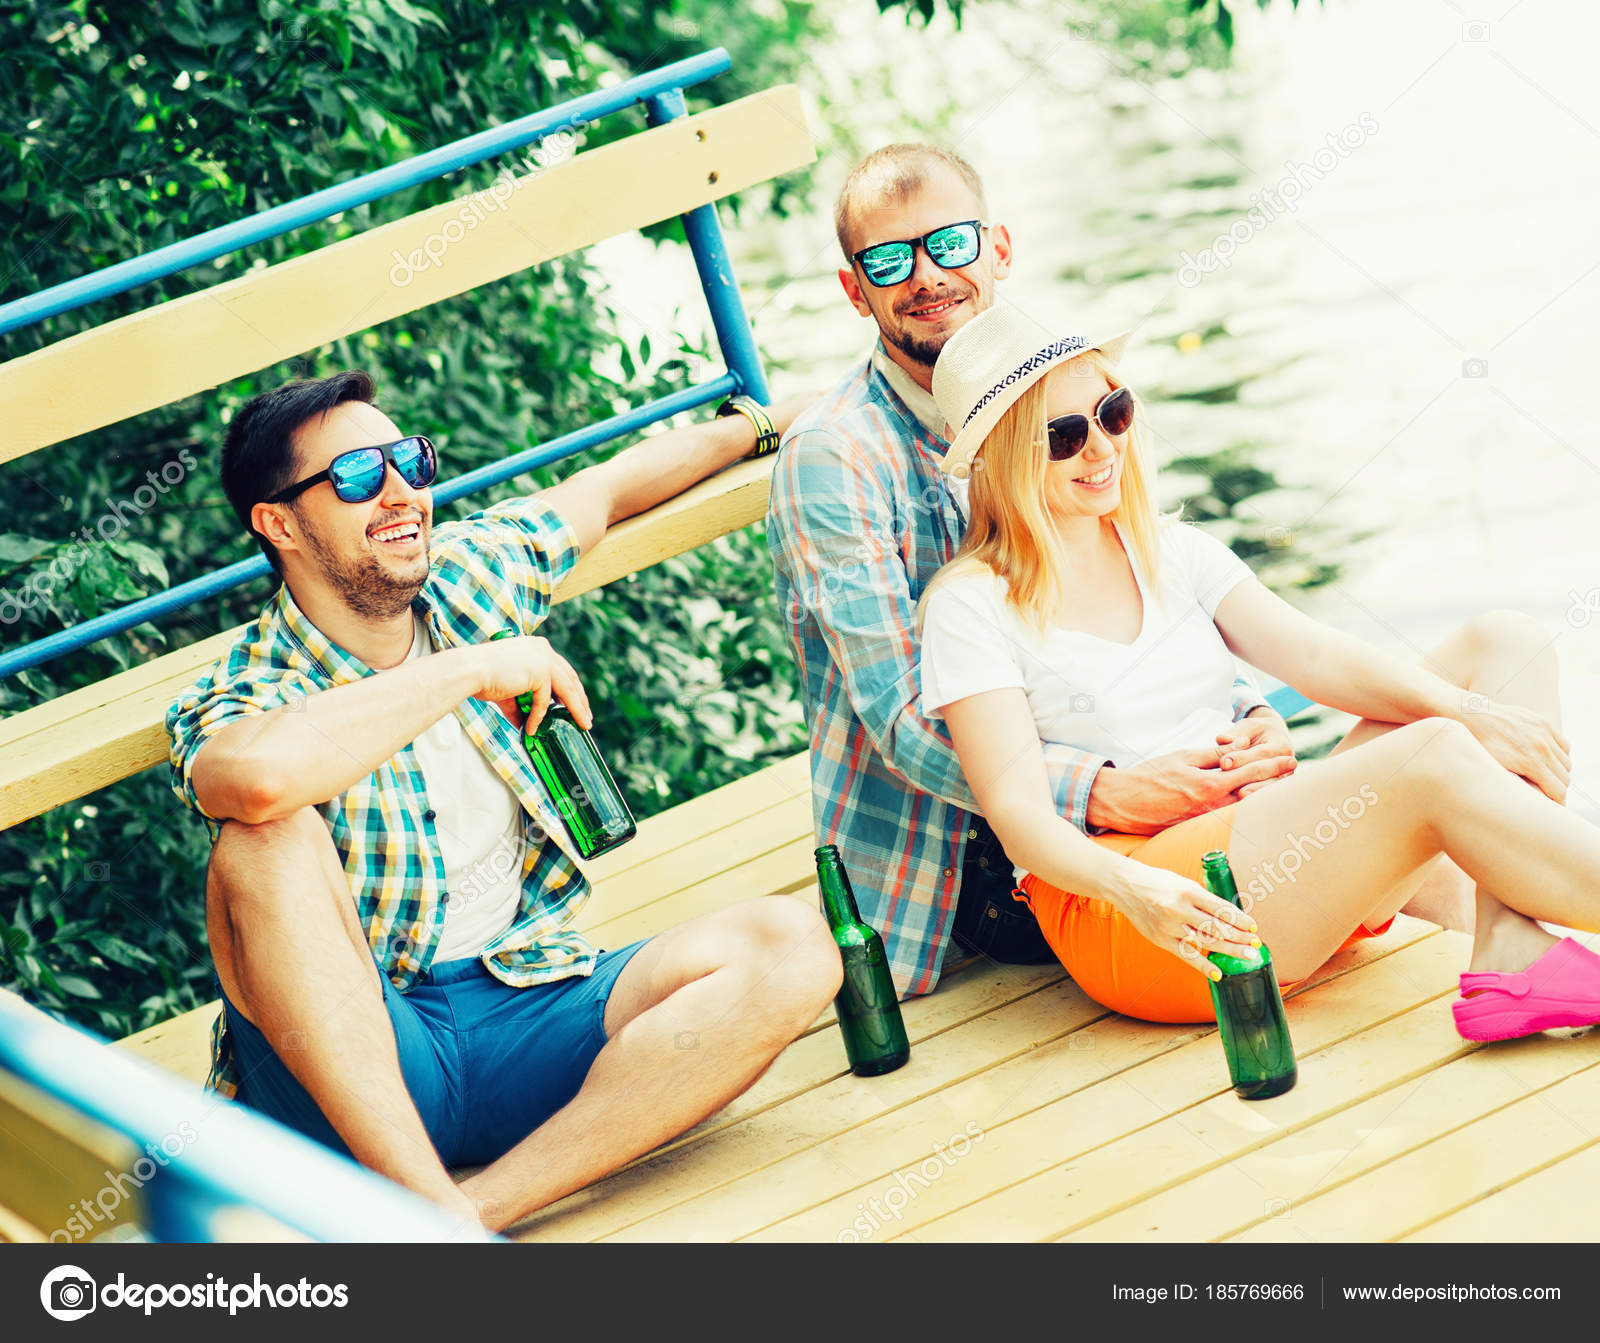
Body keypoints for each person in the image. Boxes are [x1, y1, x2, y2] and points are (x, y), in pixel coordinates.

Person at [166, 371, 840, 1235]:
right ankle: (419, 1192)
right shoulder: (247, 687)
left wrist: (765, 418)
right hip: (358, 1052)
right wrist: (472, 669)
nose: (403, 491)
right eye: (360, 477)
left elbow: (603, 490)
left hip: (522, 1006)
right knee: (262, 843)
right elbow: (252, 780)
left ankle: (462, 1217)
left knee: (793, 947)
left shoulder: (471, 580)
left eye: (409, 460)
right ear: (280, 522)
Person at [918, 301, 1599, 1038]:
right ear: (1003, 459)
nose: (1102, 449)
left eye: (1111, 412)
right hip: (1145, 909)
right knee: (1434, 751)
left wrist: (1472, 710)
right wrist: (1137, 888)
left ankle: (1507, 939)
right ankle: (1514, 946)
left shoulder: (1170, 550)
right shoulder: (970, 605)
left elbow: (1312, 654)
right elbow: (1017, 814)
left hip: (1264, 839)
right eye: (1063, 436)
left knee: (1504, 644)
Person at [769, 142, 1335, 998]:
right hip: (970, 868)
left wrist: (1242, 720)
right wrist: (1107, 790)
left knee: (1402, 801)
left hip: (1134, 813)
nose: (928, 275)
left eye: (949, 243)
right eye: (890, 260)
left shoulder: (1060, 387)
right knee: (1398, 804)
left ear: (998, 247)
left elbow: (1145, 599)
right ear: (854, 290)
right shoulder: (835, 458)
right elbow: (903, 725)